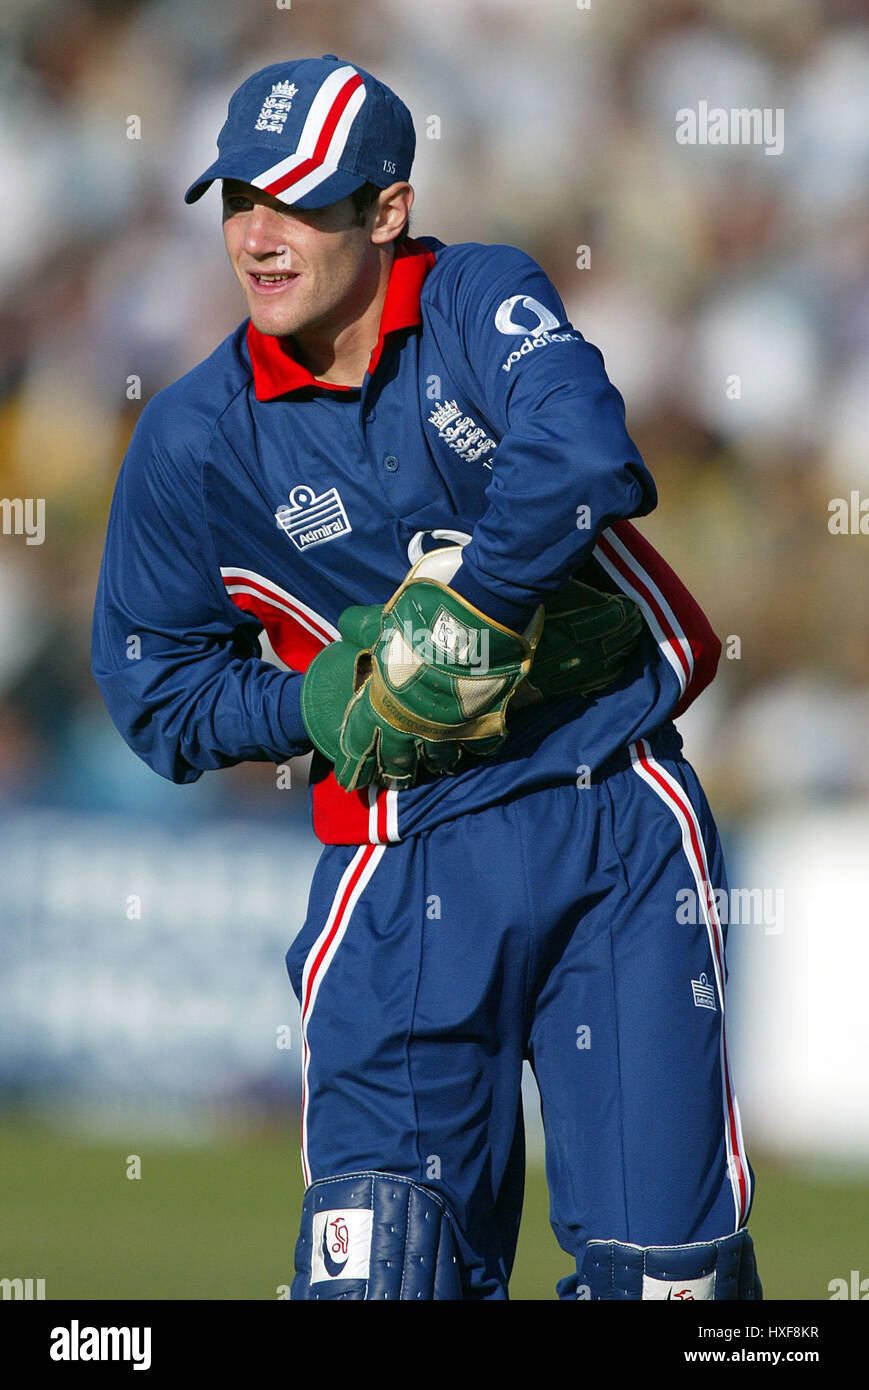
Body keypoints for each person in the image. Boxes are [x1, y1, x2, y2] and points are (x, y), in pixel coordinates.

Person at [91, 55, 761, 1301]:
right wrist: (312, 701)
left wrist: (470, 612)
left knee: (670, 1287)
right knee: (383, 1279)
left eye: (295, 202)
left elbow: (584, 455)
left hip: (612, 820)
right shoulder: (192, 437)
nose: (255, 234)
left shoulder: (473, 296)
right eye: (238, 198)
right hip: (400, 862)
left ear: (385, 212)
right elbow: (152, 692)